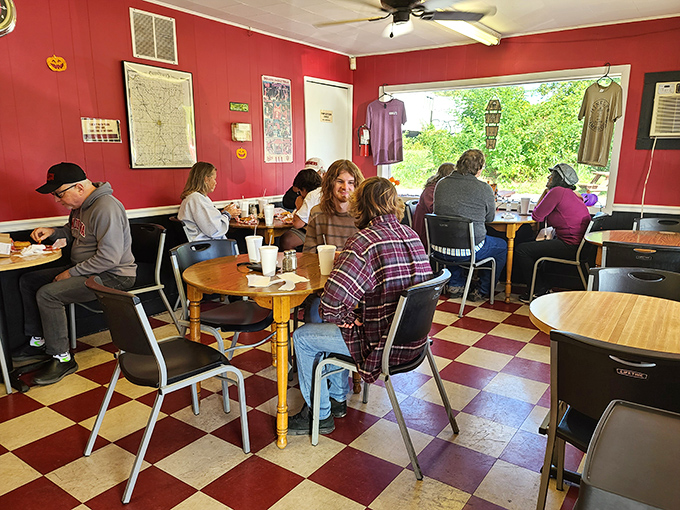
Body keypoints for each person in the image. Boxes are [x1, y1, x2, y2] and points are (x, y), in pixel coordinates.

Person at [289, 177, 433, 435]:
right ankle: (338, 398)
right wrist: (348, 316)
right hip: (415, 341)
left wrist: (344, 316)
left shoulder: (364, 242)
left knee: (303, 337)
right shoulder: (411, 235)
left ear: (360, 206)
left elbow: (330, 304)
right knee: (339, 325)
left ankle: (319, 414)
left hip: (381, 345)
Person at [12, 163, 137, 385]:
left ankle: (62, 358)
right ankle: (39, 341)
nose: (57, 200)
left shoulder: (106, 207)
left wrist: (71, 273)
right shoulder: (81, 206)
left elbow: (110, 258)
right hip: (87, 269)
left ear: (79, 187)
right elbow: (74, 232)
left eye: (59, 194)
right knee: (29, 280)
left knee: (48, 294)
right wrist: (53, 232)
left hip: (114, 275)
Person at [433, 149, 506, 301]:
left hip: (438, 249)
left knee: (454, 236)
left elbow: (437, 212)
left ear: (459, 164)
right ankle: (483, 289)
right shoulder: (484, 189)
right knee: (501, 246)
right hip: (469, 251)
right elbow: (490, 218)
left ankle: (456, 285)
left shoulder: (441, 184)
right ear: (479, 169)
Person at [515, 163, 591, 303]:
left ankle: (538, 289)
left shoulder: (557, 192)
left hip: (569, 246)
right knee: (534, 247)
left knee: (522, 250)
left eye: (552, 175)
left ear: (559, 179)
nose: (549, 177)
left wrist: (546, 192)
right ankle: (541, 286)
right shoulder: (573, 195)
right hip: (580, 246)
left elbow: (537, 216)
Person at [302, 159, 364, 252]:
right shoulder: (317, 213)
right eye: (340, 181)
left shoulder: (363, 214)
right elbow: (308, 253)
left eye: (350, 182)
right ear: (330, 183)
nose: (345, 187)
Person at [177, 162, 241, 241]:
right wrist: (227, 214)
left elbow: (208, 222)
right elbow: (214, 230)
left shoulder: (193, 198)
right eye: (214, 179)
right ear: (206, 179)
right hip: (205, 247)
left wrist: (223, 213)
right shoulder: (196, 199)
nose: (215, 182)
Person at [412, 162, 456, 250]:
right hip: (426, 231)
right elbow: (434, 209)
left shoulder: (440, 187)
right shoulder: (431, 189)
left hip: (435, 227)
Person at [278, 168, 322, 250]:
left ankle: (293, 262)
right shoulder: (322, 191)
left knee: (286, 240)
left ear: (304, 189)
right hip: (325, 229)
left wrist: (299, 205)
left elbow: (298, 224)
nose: (300, 195)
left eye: (299, 192)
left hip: (318, 232)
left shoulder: (312, 195)